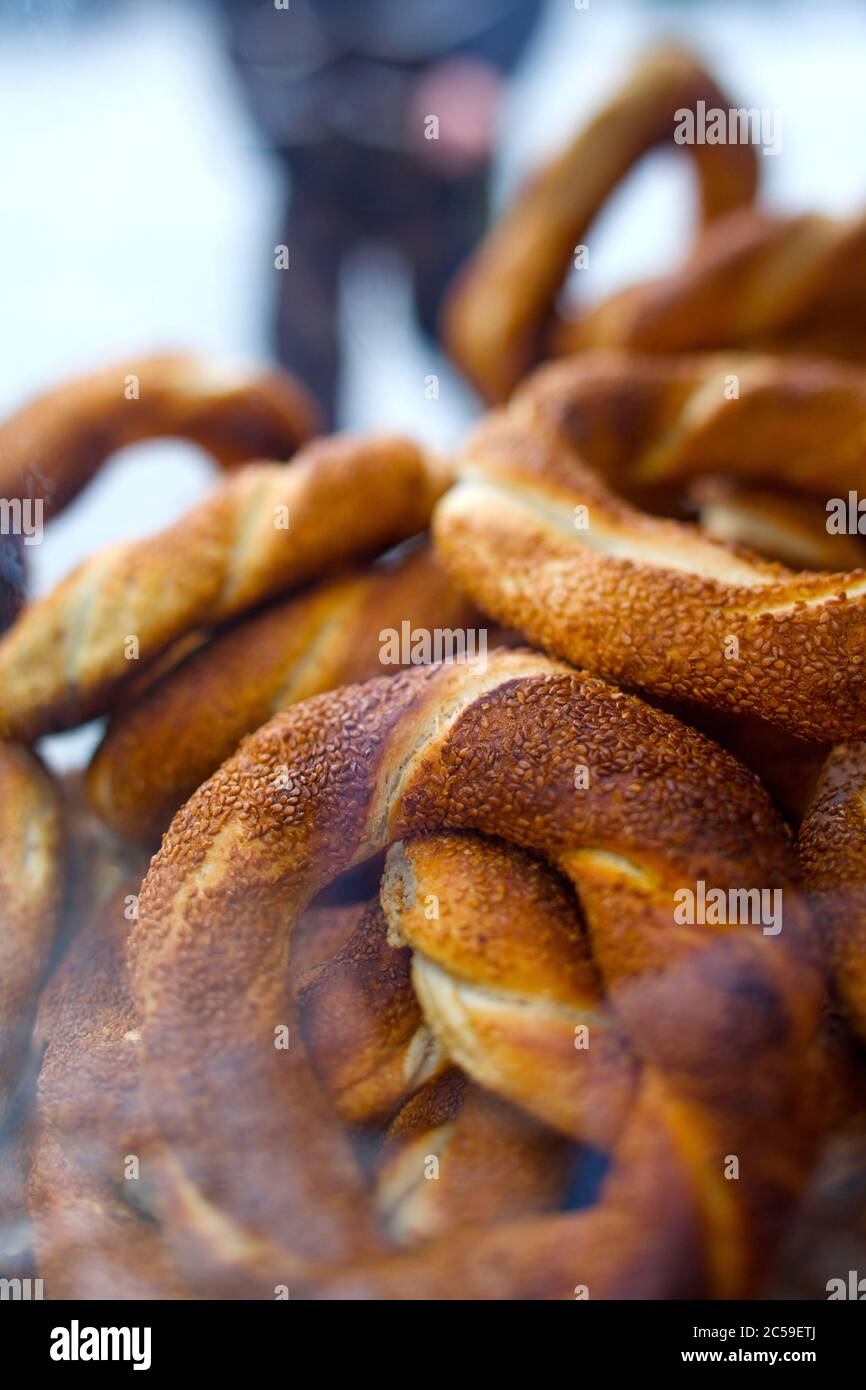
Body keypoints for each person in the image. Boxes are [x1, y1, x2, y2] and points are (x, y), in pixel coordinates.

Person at [220, 0, 543, 423]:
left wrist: (481, 64)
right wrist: (273, 112)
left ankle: (533, 458)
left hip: (434, 152)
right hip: (314, 156)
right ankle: (305, 475)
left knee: (486, 340)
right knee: (299, 367)